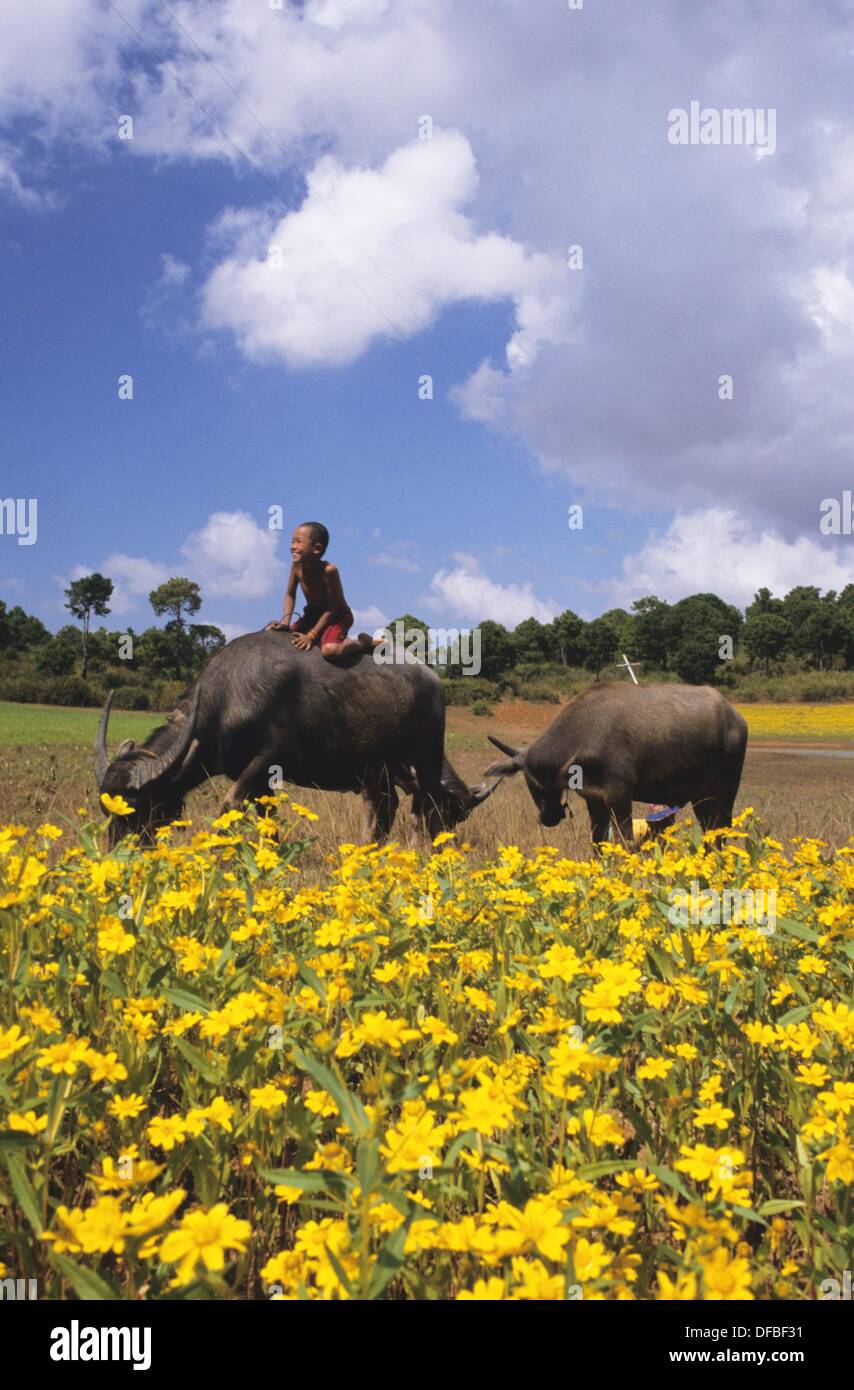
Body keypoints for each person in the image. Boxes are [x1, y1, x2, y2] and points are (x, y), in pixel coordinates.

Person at [265, 522, 376, 661]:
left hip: (337, 616)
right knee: (278, 635)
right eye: (292, 541)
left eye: (299, 542)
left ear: (316, 549)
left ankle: (362, 643)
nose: (293, 546)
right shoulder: (296, 565)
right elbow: (290, 594)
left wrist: (311, 635)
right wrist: (286, 621)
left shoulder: (329, 571)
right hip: (312, 615)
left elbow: (332, 608)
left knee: (330, 650)